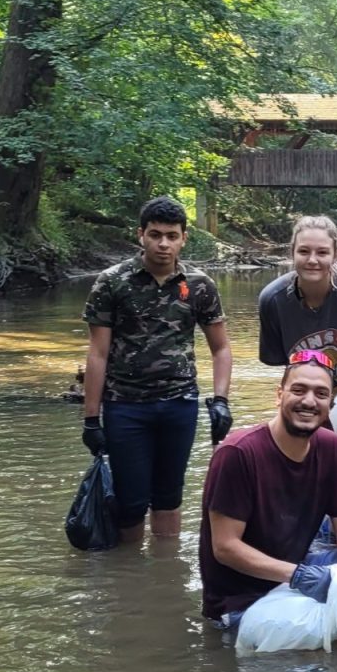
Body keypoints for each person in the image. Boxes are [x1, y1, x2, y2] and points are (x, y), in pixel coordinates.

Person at [199, 354, 337, 628]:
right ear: (279, 395)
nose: (309, 401)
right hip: (242, 596)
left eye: (321, 394)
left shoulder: (333, 447)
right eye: (298, 390)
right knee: (303, 661)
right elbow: (225, 547)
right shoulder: (238, 453)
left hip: (301, 566)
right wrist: (299, 576)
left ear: (329, 404)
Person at [81, 195, 233, 544]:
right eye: (155, 234)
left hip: (179, 404)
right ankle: (131, 573)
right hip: (125, 406)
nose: (163, 244)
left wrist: (220, 400)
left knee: (169, 496)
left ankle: (164, 575)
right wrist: (91, 418)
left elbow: (221, 348)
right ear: (141, 235)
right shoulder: (112, 282)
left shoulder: (199, 285)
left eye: (171, 235)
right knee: (131, 501)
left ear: (183, 238)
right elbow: (98, 352)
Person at [257, 215, 337, 391]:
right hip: (308, 400)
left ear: (336, 255)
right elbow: (284, 367)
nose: (312, 260)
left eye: (322, 252)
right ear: (291, 253)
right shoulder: (273, 300)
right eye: (303, 251)